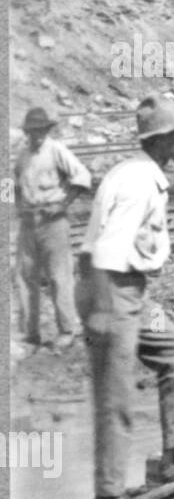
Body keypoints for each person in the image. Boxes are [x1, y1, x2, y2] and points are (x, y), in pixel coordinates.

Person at [77, 96, 174, 499]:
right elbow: (109, 247)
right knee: (116, 392)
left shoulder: (140, 171)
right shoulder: (139, 182)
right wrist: (103, 310)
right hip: (110, 288)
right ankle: (110, 494)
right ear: (163, 139)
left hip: (133, 290)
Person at [13, 105, 92, 349]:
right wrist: (14, 207)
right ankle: (31, 333)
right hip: (28, 222)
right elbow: (12, 183)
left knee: (59, 276)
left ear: (47, 130)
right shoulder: (22, 154)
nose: (36, 135)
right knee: (25, 277)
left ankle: (67, 330)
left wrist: (63, 205)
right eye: (32, 131)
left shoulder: (56, 150)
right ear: (27, 132)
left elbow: (82, 177)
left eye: (40, 131)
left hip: (53, 222)